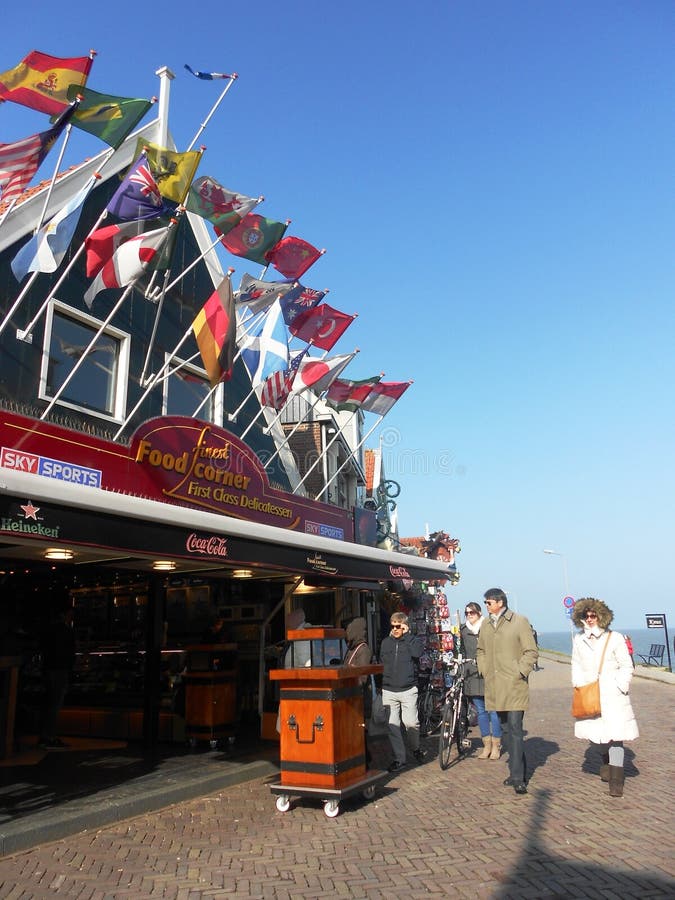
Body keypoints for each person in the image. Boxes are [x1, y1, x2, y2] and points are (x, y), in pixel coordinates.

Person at [571, 598, 638, 798]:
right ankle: (606, 764)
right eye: (586, 616)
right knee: (597, 737)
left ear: (602, 616)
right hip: (589, 693)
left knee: (616, 736)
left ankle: (617, 781)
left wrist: (621, 684)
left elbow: (627, 664)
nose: (590, 619)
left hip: (613, 694)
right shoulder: (579, 639)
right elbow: (575, 663)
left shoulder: (615, 638)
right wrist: (577, 684)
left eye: (593, 615)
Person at [476, 588, 538, 795]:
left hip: (513, 684)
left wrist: (519, 672)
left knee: (515, 728)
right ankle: (515, 772)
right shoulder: (486, 624)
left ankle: (519, 777)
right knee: (504, 730)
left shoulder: (519, 621)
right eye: (485, 603)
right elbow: (481, 650)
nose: (486, 606)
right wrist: (484, 669)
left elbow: (531, 651)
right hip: (494, 684)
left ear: (500, 602)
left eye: (489, 602)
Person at [380, 611, 426, 772]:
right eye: (393, 626)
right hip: (389, 689)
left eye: (398, 626)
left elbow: (417, 653)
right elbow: (381, 661)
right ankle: (400, 759)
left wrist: (407, 636)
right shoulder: (385, 642)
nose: (395, 629)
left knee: (411, 723)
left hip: (408, 689)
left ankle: (416, 748)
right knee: (392, 725)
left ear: (404, 626)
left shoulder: (413, 641)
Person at [461, 602, 502, 760]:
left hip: (489, 673)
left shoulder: (489, 627)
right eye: (467, 613)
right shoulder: (463, 630)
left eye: (472, 612)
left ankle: (496, 745)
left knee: (493, 710)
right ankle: (486, 745)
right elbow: (462, 650)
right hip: (472, 674)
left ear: (479, 613)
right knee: (481, 711)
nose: (469, 615)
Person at [39, 607, 76, 750]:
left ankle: (46, 736)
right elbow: (67, 651)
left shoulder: (51, 630)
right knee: (55, 703)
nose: (72, 617)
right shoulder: (65, 631)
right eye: (70, 614)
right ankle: (49, 737)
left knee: (51, 703)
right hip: (59, 669)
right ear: (63, 615)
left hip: (51, 669)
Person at [343, 617, 374, 766]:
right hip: (350, 697)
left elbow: (362, 676)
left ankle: (364, 763)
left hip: (358, 698)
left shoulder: (363, 650)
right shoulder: (352, 649)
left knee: (359, 732)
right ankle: (362, 760)